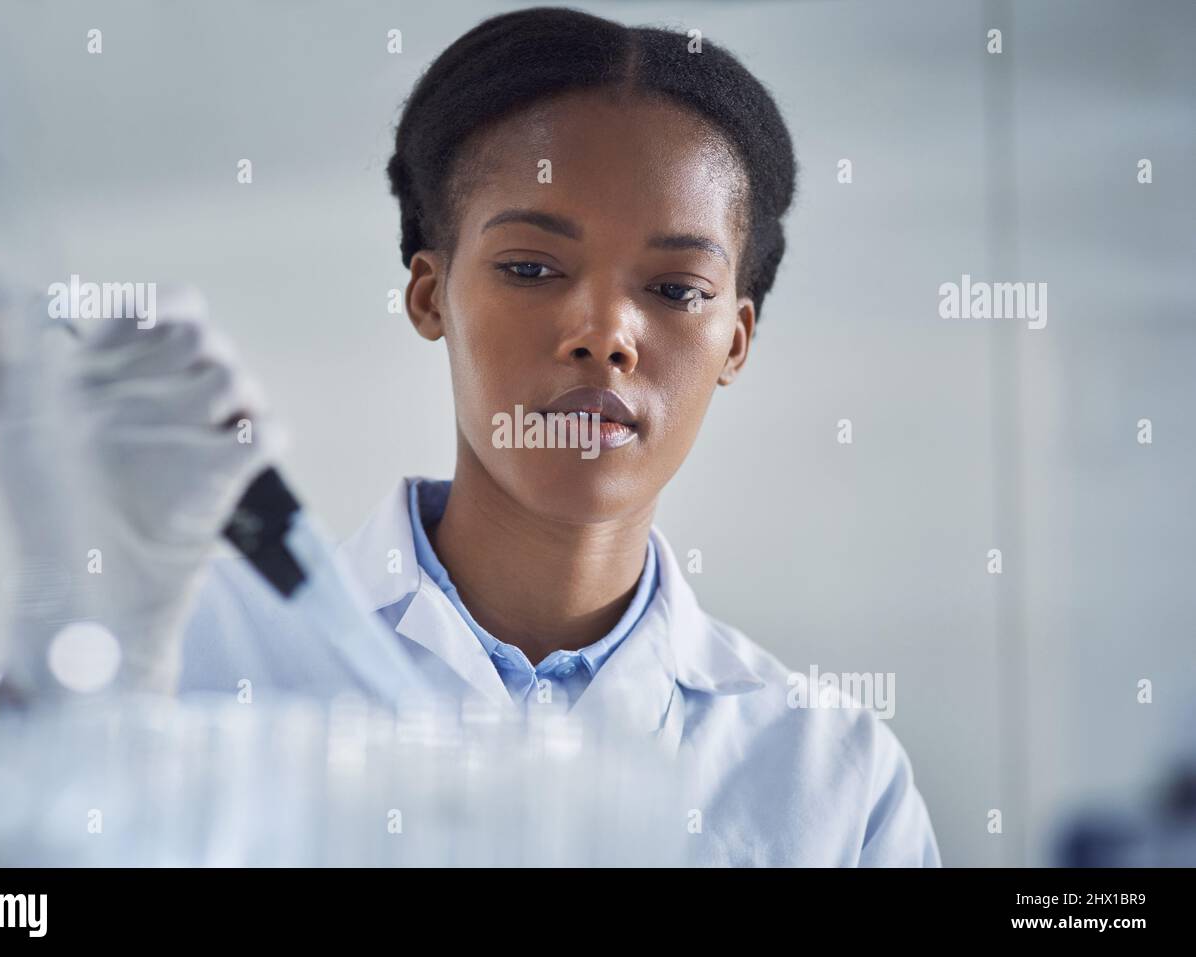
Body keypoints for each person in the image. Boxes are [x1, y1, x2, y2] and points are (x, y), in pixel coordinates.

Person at [173, 8, 941, 866]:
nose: (605, 332)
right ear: (431, 295)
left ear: (737, 338)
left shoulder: (830, 778)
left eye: (677, 288)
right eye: (531, 268)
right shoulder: (206, 670)